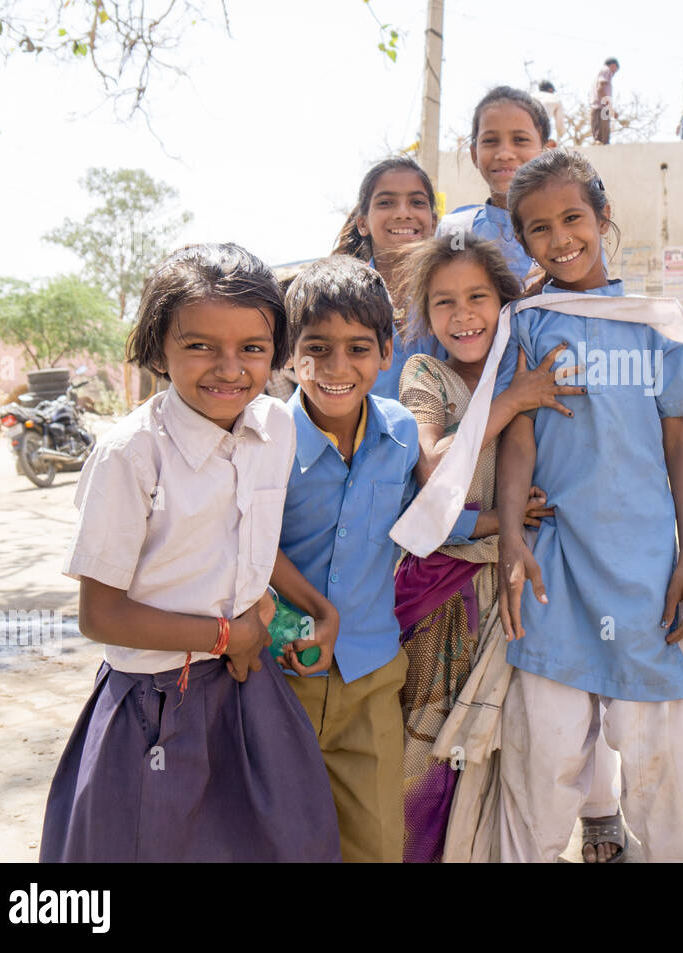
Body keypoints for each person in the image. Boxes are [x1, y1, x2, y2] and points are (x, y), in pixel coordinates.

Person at [40, 243, 341, 863]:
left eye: (252, 349)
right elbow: (102, 615)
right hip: (155, 702)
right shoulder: (130, 455)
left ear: (277, 354)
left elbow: (252, 542)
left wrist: (315, 606)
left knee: (287, 839)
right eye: (201, 345)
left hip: (247, 689)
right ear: (159, 348)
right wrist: (228, 635)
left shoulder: (275, 428)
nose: (229, 369)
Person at [478, 148, 683, 861]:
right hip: (555, 568)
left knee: (673, 773)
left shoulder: (653, 319)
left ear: (603, 218)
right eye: (538, 228)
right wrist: (510, 535)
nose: (560, 238)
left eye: (572, 218)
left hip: (649, 571)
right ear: (521, 238)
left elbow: (678, 446)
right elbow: (519, 445)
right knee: (541, 768)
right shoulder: (528, 323)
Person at [273, 255, 481, 863]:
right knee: (283, 837)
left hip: (371, 674)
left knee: (377, 843)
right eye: (316, 349)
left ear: (386, 353)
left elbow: (422, 516)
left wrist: (501, 522)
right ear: (290, 355)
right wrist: (286, 626)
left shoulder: (396, 433)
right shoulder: (264, 442)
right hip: (279, 674)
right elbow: (240, 546)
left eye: (358, 348)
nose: (337, 368)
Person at [394, 232, 578, 862]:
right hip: (441, 599)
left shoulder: (520, 364)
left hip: (512, 592)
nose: (462, 314)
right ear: (426, 314)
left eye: (478, 296)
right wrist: (512, 403)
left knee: (503, 753)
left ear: (505, 303)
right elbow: (434, 474)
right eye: (444, 302)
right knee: (429, 748)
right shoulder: (426, 375)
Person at [333, 157, 445, 398]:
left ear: (433, 223)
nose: (403, 213)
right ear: (362, 224)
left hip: (452, 436)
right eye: (386, 202)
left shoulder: (454, 293)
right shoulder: (340, 300)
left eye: (417, 202)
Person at [439, 86, 549, 285]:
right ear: (474, 154)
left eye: (520, 140)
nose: (504, 153)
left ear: (547, 152)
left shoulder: (569, 231)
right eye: (490, 141)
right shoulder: (455, 231)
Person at [590, 58, 618, 144]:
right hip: (601, 109)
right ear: (613, 65)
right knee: (601, 139)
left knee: (601, 139)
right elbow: (600, 89)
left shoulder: (602, 73)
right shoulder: (606, 70)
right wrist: (610, 108)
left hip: (602, 109)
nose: (614, 73)